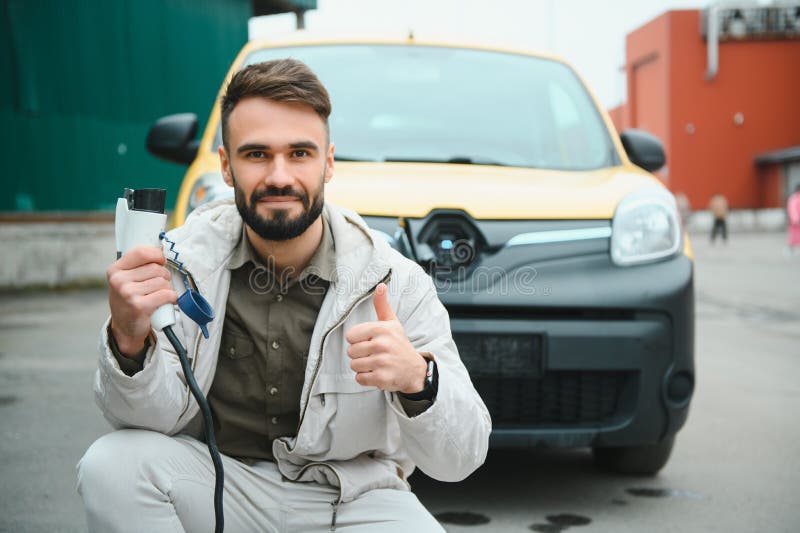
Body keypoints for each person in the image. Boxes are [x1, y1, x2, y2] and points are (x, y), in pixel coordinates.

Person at [76, 59, 491, 532]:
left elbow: (462, 458)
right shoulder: (178, 266)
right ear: (227, 166)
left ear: (328, 162)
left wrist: (419, 379)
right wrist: (129, 339)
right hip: (220, 486)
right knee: (112, 465)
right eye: (256, 155)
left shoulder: (396, 281)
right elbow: (142, 420)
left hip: (353, 501)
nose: (278, 176)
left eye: (299, 153)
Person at [787, 185, 800, 255]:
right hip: (795, 222)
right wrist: (796, 219)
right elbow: (792, 210)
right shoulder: (793, 198)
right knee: (793, 237)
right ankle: (790, 250)